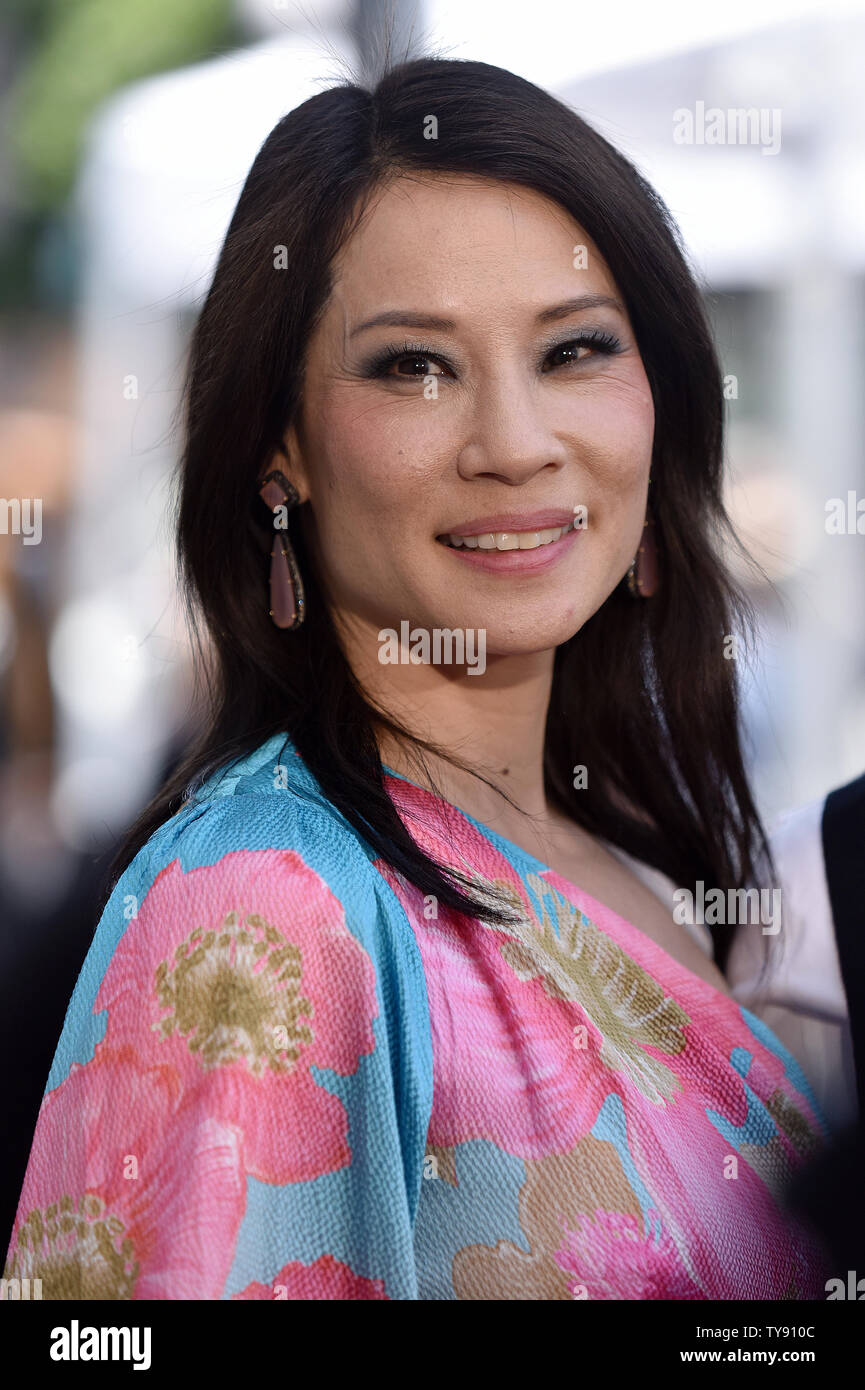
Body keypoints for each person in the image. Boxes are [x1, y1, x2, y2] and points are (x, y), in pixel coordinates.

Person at [3, 55, 833, 1301]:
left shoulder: (645, 857)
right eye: (413, 366)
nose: (513, 443)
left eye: (574, 351)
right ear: (278, 449)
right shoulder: (266, 908)